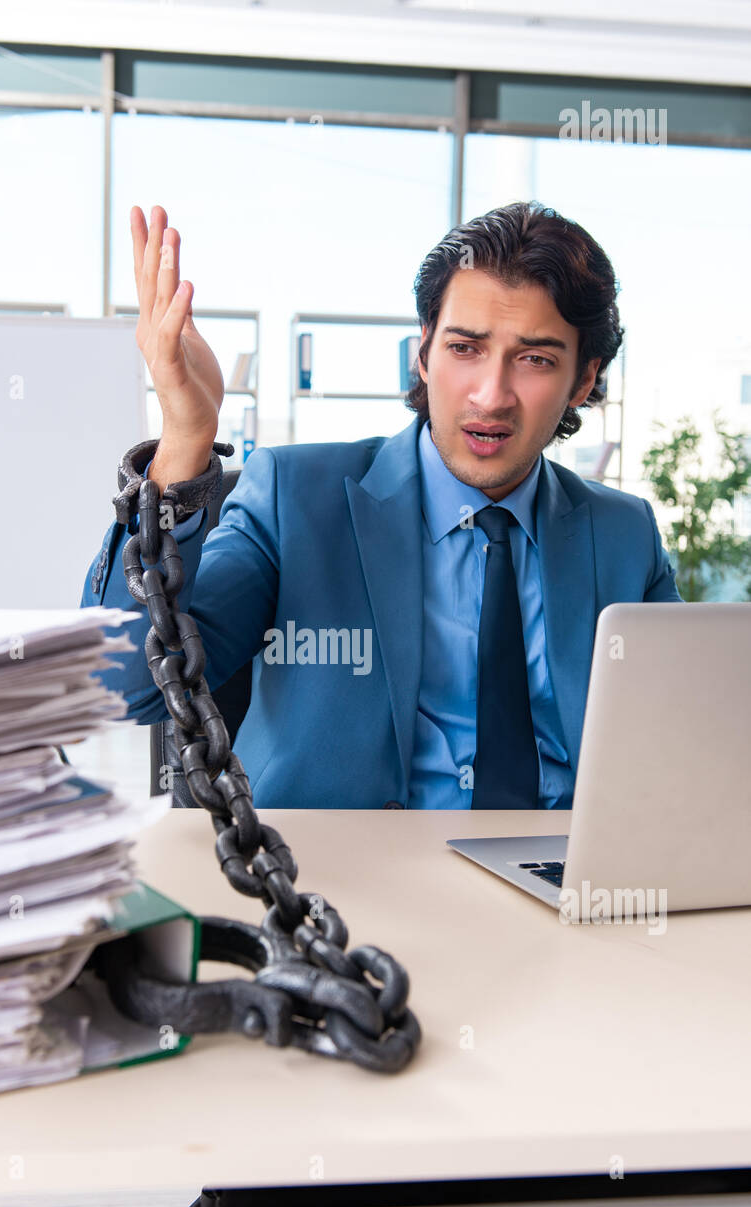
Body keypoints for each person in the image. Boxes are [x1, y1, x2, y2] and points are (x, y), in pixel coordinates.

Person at [81, 199, 681, 810]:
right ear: (424, 353)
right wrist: (186, 437)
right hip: (342, 886)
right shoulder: (296, 498)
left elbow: (685, 740)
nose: (491, 395)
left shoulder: (623, 535)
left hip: (561, 880)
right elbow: (128, 685)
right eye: (465, 348)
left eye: (535, 359)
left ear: (584, 380)